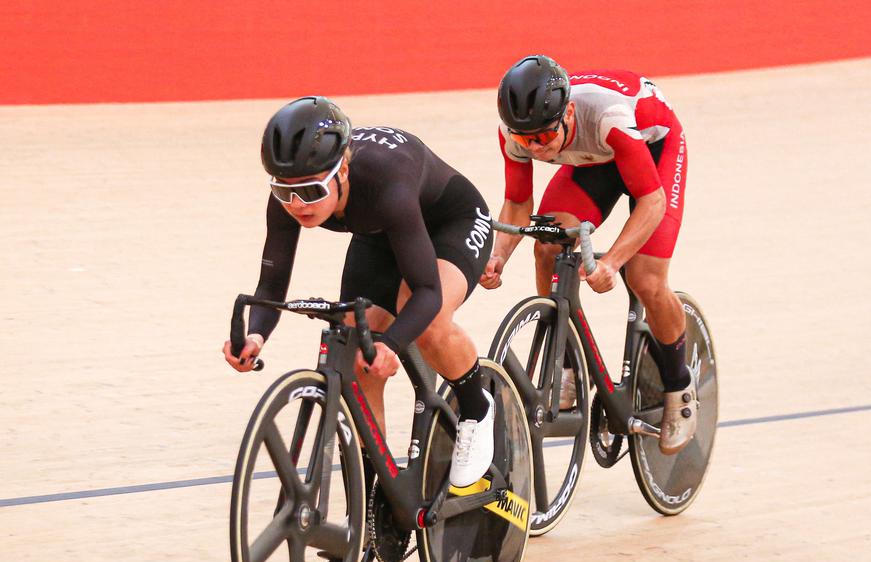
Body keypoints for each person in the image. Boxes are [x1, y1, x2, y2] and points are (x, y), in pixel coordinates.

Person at [222, 96, 497, 488]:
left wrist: (393, 344)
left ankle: (476, 407)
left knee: (425, 323)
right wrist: (255, 335)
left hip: (451, 222)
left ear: (343, 170)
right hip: (381, 233)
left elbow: (426, 291)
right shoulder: (292, 193)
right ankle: (380, 490)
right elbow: (271, 283)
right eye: (285, 193)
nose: (298, 205)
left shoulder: (388, 186)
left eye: (313, 192)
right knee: (354, 350)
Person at [481, 55, 696, 454]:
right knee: (547, 245)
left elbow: (652, 201)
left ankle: (679, 386)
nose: (535, 150)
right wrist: (498, 256)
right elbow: (516, 202)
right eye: (525, 141)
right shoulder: (518, 132)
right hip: (594, 159)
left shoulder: (607, 119)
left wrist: (613, 260)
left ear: (570, 113)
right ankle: (565, 366)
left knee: (645, 279)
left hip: (651, 149)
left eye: (542, 139)